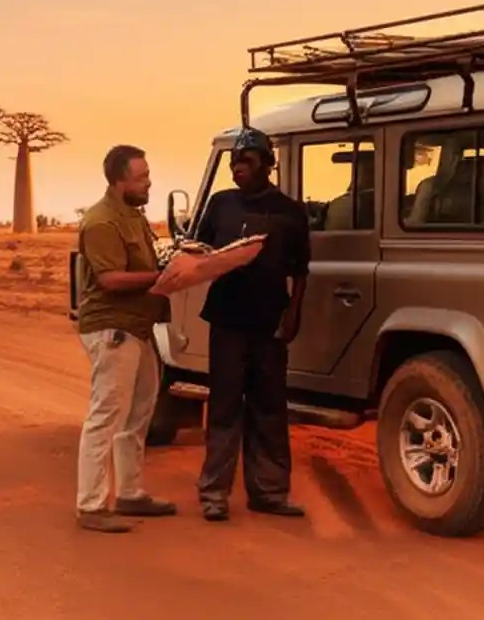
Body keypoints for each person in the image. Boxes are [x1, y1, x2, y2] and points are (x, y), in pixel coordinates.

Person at [195, 127, 311, 522]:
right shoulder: (220, 204)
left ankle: (270, 493)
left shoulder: (291, 212)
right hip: (226, 320)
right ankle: (214, 495)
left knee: (269, 409)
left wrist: (293, 314)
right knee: (225, 407)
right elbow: (199, 249)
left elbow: (302, 270)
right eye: (233, 162)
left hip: (269, 324)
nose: (236, 169)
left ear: (267, 163)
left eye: (245, 161)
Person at [73, 144, 176, 533]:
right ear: (119, 181)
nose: (149, 183)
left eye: (148, 175)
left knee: (141, 409)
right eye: (141, 177)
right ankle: (91, 505)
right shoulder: (101, 222)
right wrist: (162, 279)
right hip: (113, 329)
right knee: (105, 414)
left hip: (138, 327)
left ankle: (130, 492)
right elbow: (110, 279)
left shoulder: (134, 215)